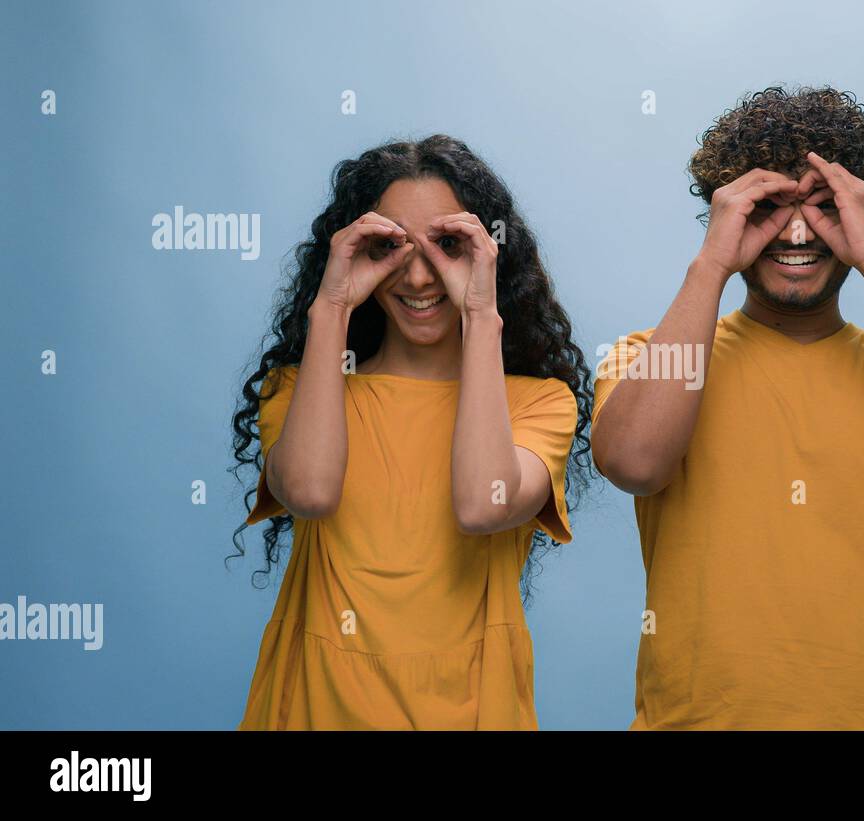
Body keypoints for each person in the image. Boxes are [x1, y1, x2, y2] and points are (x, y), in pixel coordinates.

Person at [592, 86, 864, 729]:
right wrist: (712, 262)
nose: (796, 231)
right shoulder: (647, 359)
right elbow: (634, 461)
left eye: (823, 209)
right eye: (769, 208)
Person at [228, 135, 592, 730]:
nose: (421, 276)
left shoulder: (537, 404)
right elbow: (312, 491)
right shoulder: (301, 391)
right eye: (389, 246)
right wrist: (332, 308)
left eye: (448, 245)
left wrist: (479, 313)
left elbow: (481, 503)